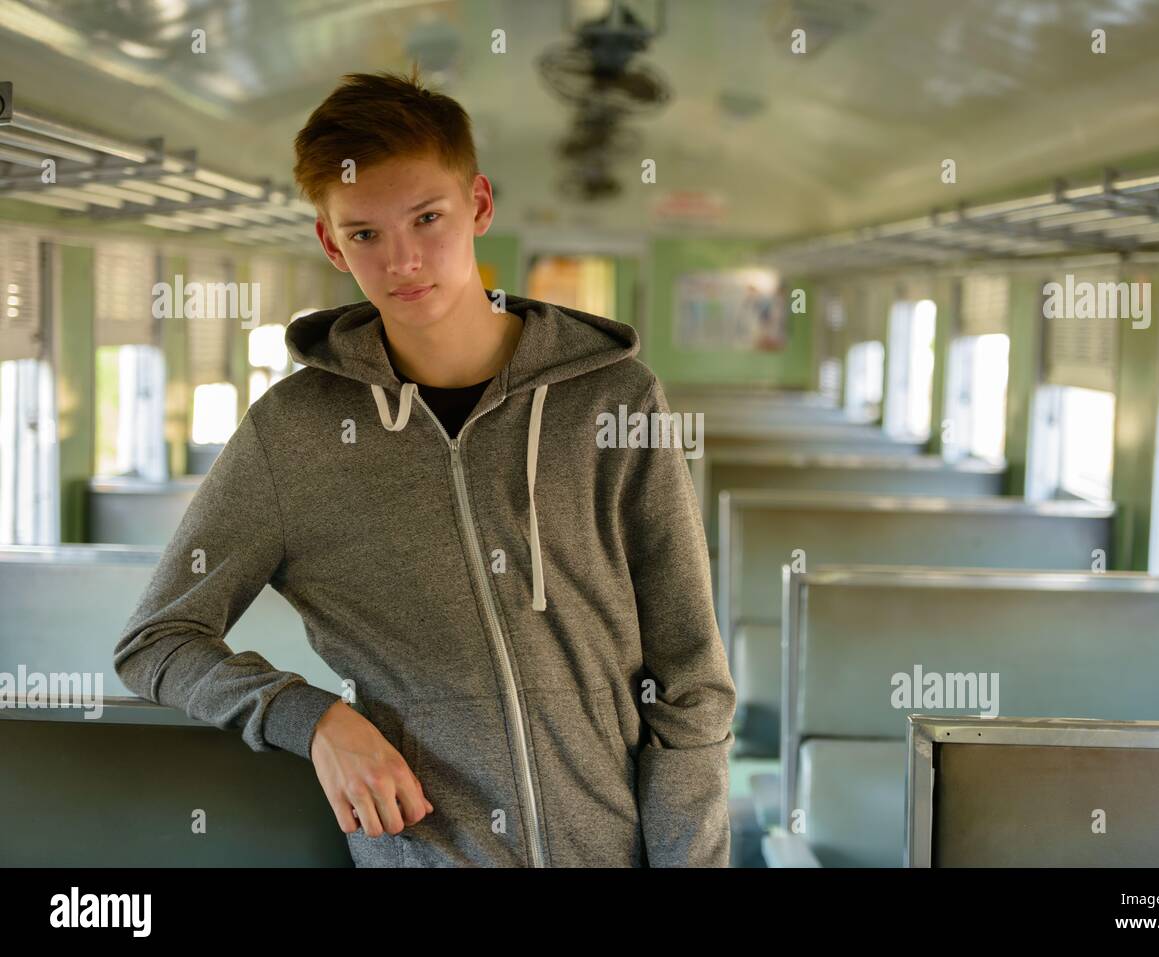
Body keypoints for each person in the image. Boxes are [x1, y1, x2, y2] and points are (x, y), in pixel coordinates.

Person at [113, 65, 736, 868]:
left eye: (427, 218)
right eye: (366, 233)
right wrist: (312, 719)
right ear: (331, 242)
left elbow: (689, 679)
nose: (403, 260)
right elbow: (156, 641)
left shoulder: (614, 400)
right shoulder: (293, 432)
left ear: (478, 204)